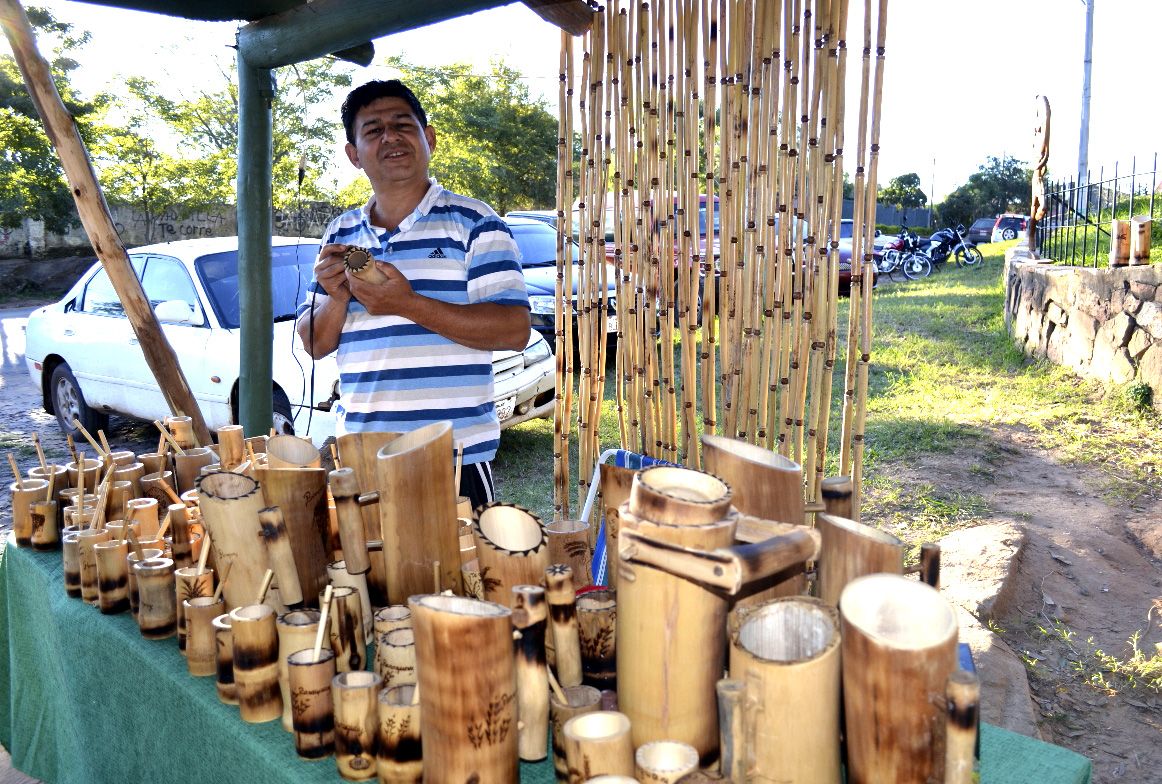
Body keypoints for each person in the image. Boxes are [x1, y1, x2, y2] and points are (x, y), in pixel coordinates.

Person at [296, 79, 531, 510]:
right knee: (373, 576)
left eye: (403, 124)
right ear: (354, 155)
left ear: (430, 138)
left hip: (453, 452)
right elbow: (313, 344)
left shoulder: (475, 222)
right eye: (373, 130)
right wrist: (337, 297)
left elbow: (514, 330)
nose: (390, 137)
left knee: (463, 576)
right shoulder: (339, 233)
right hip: (362, 451)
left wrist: (404, 303)